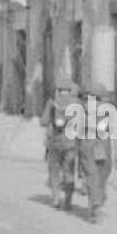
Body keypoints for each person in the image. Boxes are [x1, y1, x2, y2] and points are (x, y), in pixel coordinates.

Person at [40, 78, 80, 211]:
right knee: (69, 172)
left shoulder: (52, 103)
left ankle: (56, 198)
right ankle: (68, 201)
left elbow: (44, 121)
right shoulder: (77, 104)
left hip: (55, 143)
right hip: (71, 144)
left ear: (57, 90)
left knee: (54, 171)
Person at [77, 87, 115, 224]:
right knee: (97, 176)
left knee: (96, 176)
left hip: (95, 146)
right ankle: (96, 204)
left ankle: (97, 201)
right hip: (98, 146)